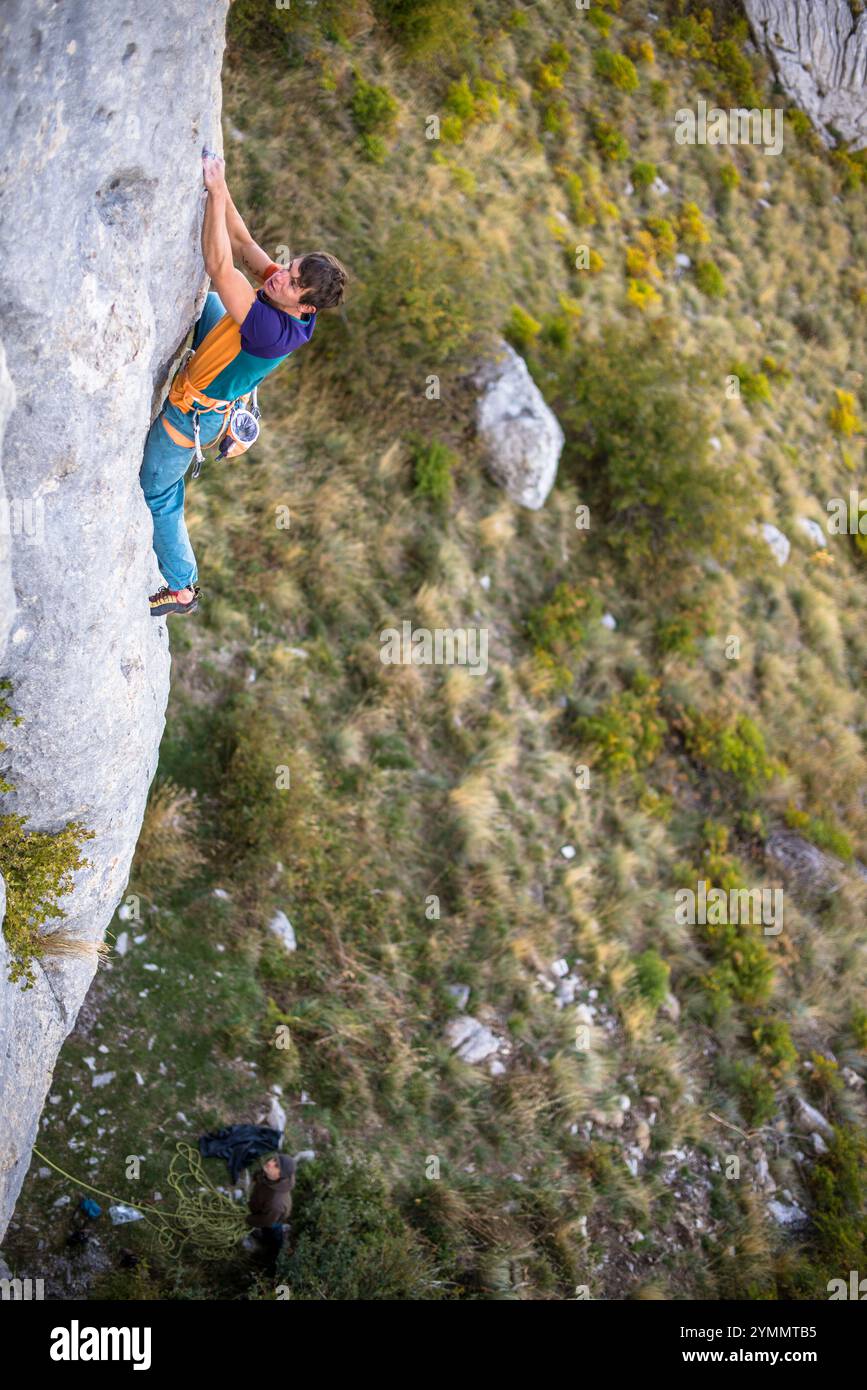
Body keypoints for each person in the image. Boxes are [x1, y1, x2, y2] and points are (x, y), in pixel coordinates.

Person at [140, 152, 347, 617]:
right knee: (214, 304)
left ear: (306, 308)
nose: (280, 278)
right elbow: (241, 240)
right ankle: (241, 387)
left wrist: (214, 195)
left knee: (158, 490)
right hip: (230, 338)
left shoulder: (275, 328)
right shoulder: (287, 293)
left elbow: (219, 262)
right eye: (290, 270)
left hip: (196, 411)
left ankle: (182, 586)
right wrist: (223, 184)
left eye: (292, 284)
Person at [246, 1152, 297, 1258]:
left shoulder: (276, 1203)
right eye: (274, 1160)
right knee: (265, 1231)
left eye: (276, 1165)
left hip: (273, 1220)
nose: (270, 1163)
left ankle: (274, 1255)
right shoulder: (269, 1175)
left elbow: (266, 1220)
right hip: (264, 1211)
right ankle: (263, 1236)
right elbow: (258, 1177)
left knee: (274, 1237)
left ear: (280, 1174)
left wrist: (248, 1219)